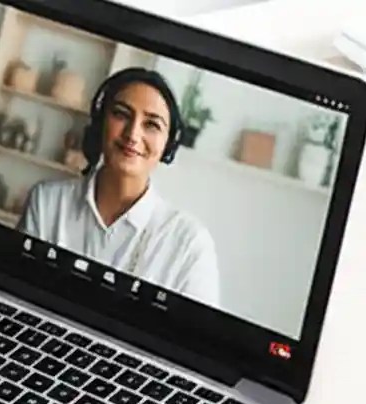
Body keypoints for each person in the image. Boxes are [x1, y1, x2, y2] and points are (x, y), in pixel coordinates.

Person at [18, 67, 220, 307]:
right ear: (102, 121)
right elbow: (19, 291)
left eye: (152, 125)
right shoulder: (47, 202)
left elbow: (193, 338)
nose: (133, 134)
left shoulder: (189, 242)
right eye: (122, 114)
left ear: (168, 145)